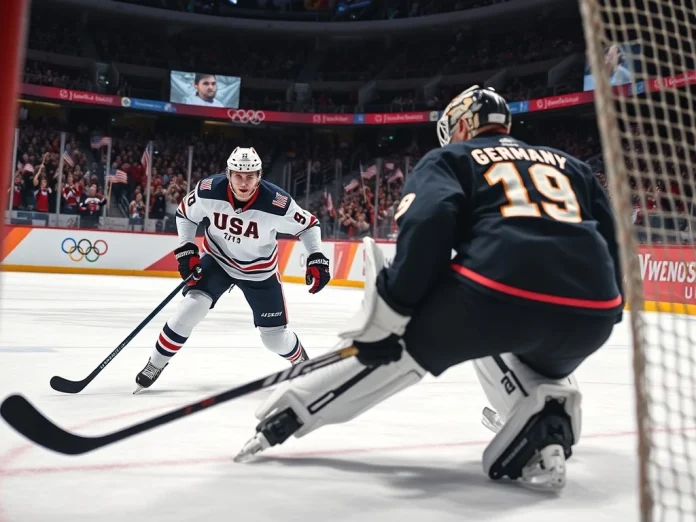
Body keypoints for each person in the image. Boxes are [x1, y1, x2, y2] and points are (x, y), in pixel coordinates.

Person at [234, 86, 623, 491]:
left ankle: (287, 416)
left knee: (399, 348)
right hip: (591, 313)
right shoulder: (572, 165)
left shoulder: (451, 157)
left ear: (465, 124)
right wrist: (612, 307)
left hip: (495, 295)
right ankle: (548, 422)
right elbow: (615, 244)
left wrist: (394, 309)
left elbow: (430, 222)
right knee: (532, 359)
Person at [134, 147, 331, 393]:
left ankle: (301, 362)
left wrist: (316, 256)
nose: (244, 182)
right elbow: (185, 213)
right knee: (190, 308)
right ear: (228, 173)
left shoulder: (277, 203)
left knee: (273, 339)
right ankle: (155, 363)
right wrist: (186, 248)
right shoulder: (208, 189)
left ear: (259, 175)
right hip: (218, 260)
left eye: (250, 176)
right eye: (238, 175)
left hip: (259, 272)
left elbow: (309, 225)